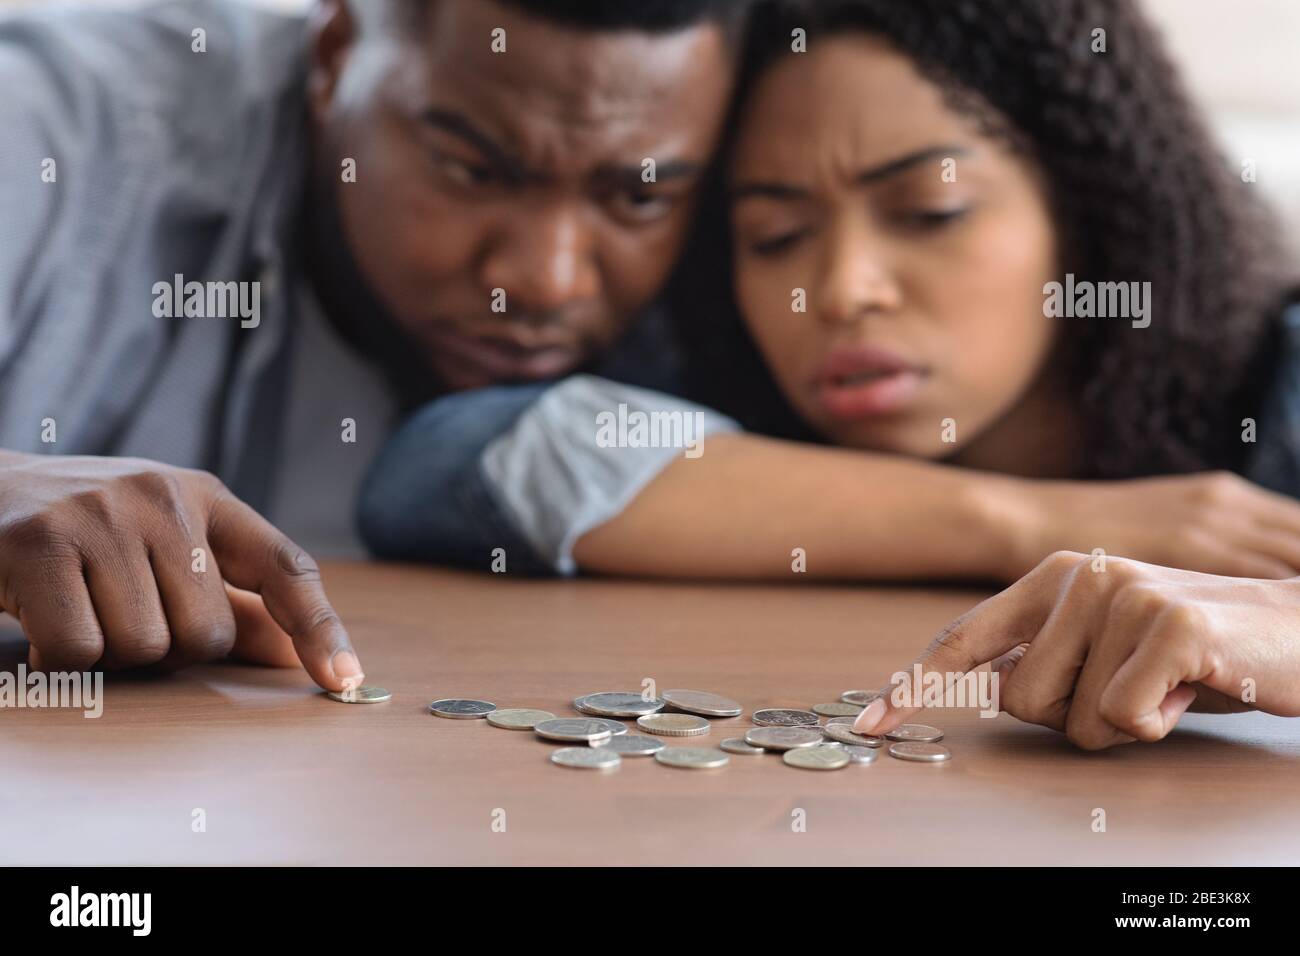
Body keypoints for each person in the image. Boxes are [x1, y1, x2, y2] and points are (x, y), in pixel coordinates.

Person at [360, 0, 1300, 585]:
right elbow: (447, 463)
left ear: (1092, 214)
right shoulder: (724, 388)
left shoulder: (1279, 393)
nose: (840, 292)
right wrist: (1039, 523)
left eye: (931, 211)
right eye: (777, 235)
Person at [0, 0, 744, 687]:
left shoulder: (753, 214)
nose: (545, 281)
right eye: (473, 168)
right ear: (334, 55)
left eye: (640, 196)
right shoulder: (47, 121)